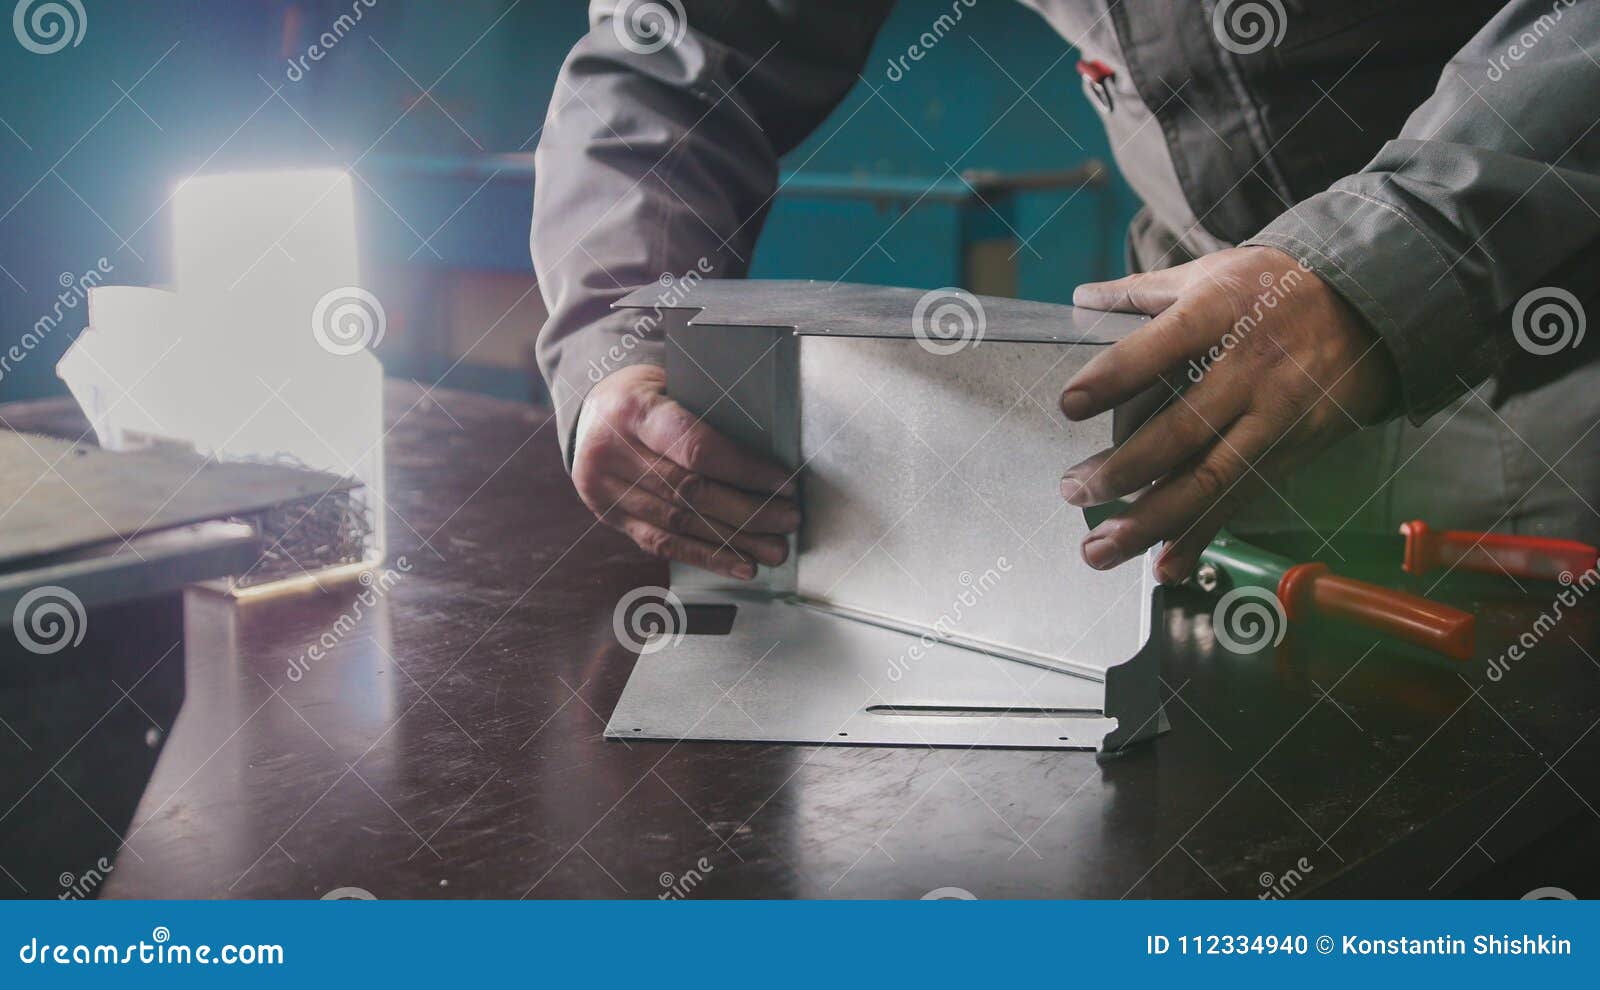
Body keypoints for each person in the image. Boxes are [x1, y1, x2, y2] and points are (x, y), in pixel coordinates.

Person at [532, 0, 1600, 585]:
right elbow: (675, 53)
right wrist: (616, 333)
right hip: (1203, 404)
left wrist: (1385, 259)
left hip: (1558, 363)